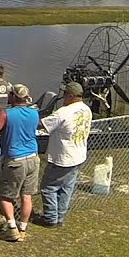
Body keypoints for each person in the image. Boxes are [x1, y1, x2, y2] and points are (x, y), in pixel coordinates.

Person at [0, 84, 40, 242]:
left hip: (15, 160)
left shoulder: (6, 113)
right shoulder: (34, 113)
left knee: (5, 196)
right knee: (27, 196)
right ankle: (22, 228)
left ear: (14, 96)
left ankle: (12, 228)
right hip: (33, 157)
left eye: (10, 93)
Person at [38, 81, 93, 228]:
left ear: (70, 95)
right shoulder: (86, 109)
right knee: (67, 188)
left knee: (48, 187)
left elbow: (42, 124)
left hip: (62, 157)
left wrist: (26, 118)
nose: (62, 97)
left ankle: (50, 218)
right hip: (78, 155)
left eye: (64, 94)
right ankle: (60, 216)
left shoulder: (64, 112)